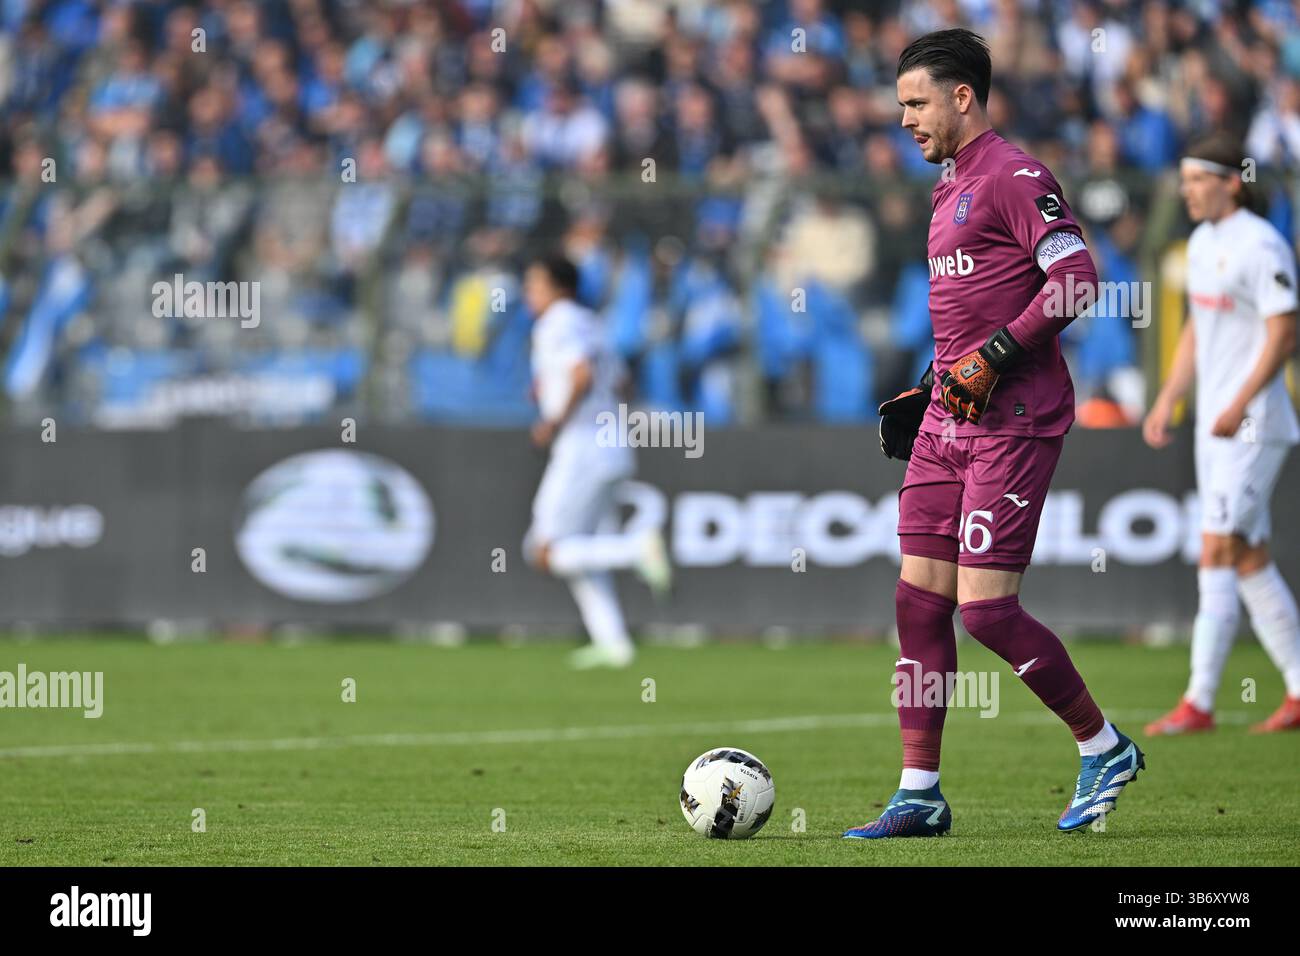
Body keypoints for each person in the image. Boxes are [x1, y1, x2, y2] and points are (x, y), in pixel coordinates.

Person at [845, 29, 1143, 839]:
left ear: (962, 96)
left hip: (1015, 421)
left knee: (985, 612)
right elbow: (968, 313)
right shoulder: (948, 187)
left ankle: (1102, 745)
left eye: (915, 102)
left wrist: (996, 357)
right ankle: (919, 792)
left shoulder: (1015, 175)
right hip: (949, 416)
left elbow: (1079, 278)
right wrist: (937, 379)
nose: (903, 118)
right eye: (900, 104)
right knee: (918, 603)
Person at [1142, 135, 1300, 735]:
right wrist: (1169, 396)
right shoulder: (1202, 245)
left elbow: (1285, 335)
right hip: (1216, 427)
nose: (1185, 192)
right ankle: (1297, 692)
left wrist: (1238, 402)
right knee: (1249, 558)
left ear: (1231, 181)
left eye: (1196, 181)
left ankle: (1199, 701)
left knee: (1215, 550)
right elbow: (1195, 332)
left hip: (1255, 426)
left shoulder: (1262, 246)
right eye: (1182, 182)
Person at [522, 254, 671, 669]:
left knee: (543, 550)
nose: (527, 294)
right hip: (611, 442)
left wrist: (553, 420)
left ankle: (635, 549)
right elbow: (621, 382)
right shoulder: (593, 322)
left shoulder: (558, 322)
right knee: (582, 548)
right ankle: (614, 644)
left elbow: (581, 374)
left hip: (581, 445)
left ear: (559, 287)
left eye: (534, 284)